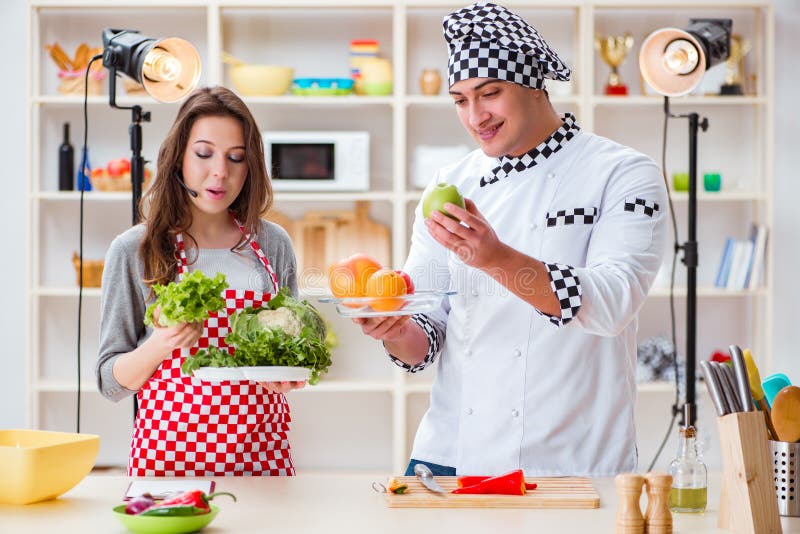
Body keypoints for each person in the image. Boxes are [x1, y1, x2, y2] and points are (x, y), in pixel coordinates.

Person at [354, 2, 668, 477]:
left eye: (490, 93)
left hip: (571, 461)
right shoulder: (451, 185)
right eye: (460, 100)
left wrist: (495, 257)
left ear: (533, 85)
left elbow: (613, 303)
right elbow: (425, 331)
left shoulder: (622, 174)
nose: (476, 115)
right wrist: (397, 331)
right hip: (451, 456)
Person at [96, 86, 304, 477]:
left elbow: (291, 352)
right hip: (167, 466)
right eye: (204, 154)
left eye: (236, 158)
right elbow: (109, 382)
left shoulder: (273, 244)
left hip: (262, 458)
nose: (220, 172)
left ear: (250, 166)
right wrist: (160, 343)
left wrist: (287, 373)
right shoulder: (135, 250)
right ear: (178, 159)